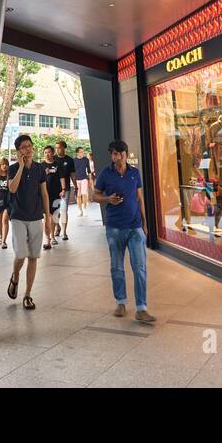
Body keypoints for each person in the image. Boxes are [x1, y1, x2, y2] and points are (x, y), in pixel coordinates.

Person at [92, 139, 156, 324]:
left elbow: (139, 198)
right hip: (114, 228)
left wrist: (144, 224)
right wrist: (108, 199)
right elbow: (94, 195)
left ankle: (141, 308)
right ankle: (121, 302)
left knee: (140, 268)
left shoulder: (134, 173)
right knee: (117, 267)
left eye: (119, 153)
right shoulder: (106, 173)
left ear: (126, 155)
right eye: (113, 154)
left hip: (135, 227)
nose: (116, 157)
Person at [5, 134, 51, 311]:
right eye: (24, 147)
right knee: (20, 255)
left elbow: (44, 194)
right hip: (17, 216)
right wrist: (22, 167)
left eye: (30, 146)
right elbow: (12, 188)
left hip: (35, 216)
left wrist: (47, 218)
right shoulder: (13, 168)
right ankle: (15, 276)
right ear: (18, 151)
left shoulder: (40, 169)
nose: (28, 149)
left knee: (33, 256)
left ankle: (27, 295)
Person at [53, 139, 75, 241]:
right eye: (56, 148)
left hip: (65, 188)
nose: (57, 150)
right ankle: (57, 227)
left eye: (59, 147)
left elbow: (72, 174)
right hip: (53, 189)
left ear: (64, 148)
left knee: (64, 210)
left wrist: (76, 186)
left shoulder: (70, 160)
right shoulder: (53, 159)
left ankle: (65, 232)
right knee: (55, 211)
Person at [73, 145, 92, 217]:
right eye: (81, 152)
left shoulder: (86, 160)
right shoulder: (73, 160)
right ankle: (80, 211)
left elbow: (89, 171)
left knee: (84, 194)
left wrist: (90, 180)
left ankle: (84, 209)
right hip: (76, 180)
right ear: (77, 153)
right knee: (78, 196)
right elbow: (72, 172)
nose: (82, 153)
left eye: (82, 152)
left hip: (84, 178)